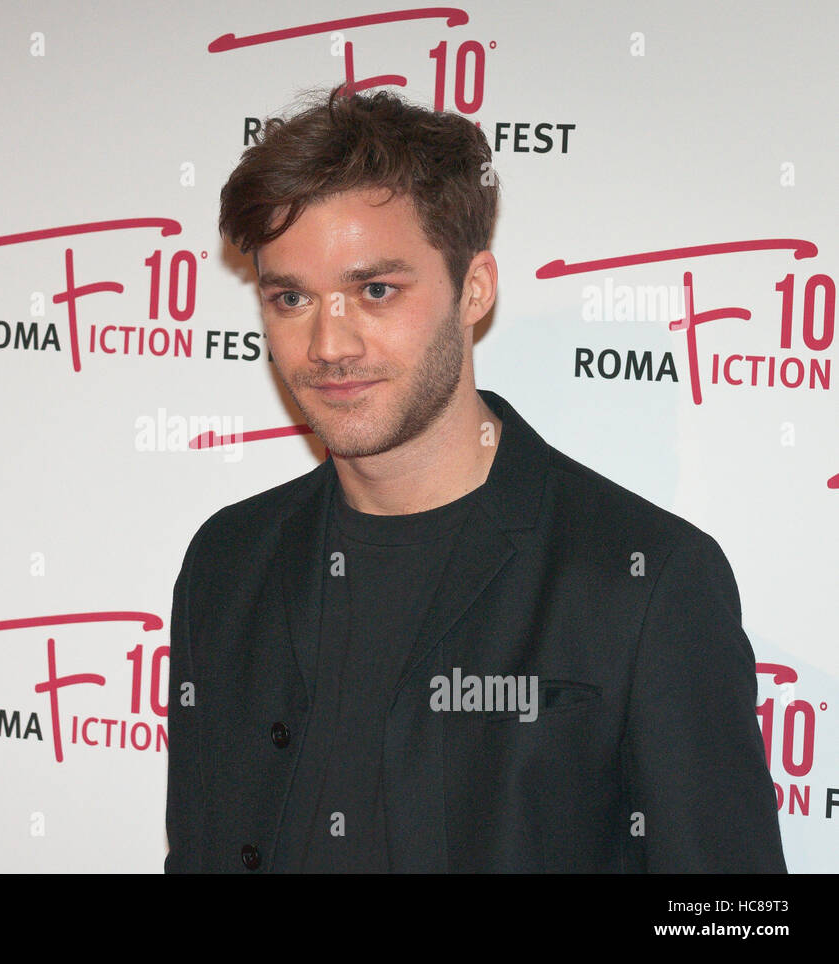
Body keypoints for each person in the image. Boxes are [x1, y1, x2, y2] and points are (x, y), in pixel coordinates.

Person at [163, 88, 786, 873]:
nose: (327, 343)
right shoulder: (228, 560)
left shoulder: (645, 580)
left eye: (375, 291)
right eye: (290, 297)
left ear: (475, 289)